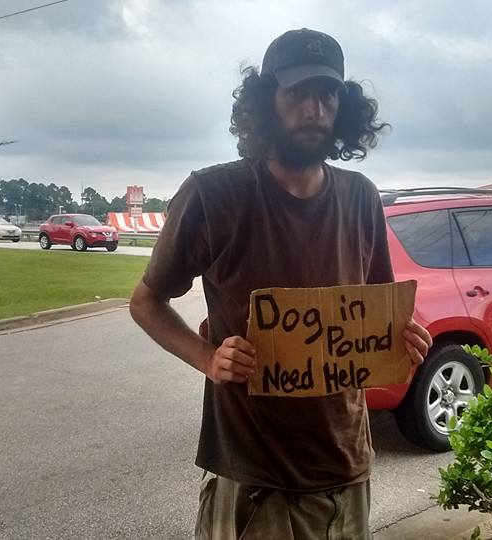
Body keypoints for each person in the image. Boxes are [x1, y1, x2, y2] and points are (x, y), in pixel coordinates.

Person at [129, 28, 432, 539]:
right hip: (255, 482)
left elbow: (377, 314)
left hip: (348, 472)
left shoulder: (361, 197)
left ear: (343, 106)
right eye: (297, 93)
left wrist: (406, 339)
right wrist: (208, 358)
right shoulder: (213, 195)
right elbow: (145, 302)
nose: (314, 109)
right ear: (267, 101)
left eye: (327, 94)